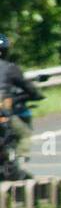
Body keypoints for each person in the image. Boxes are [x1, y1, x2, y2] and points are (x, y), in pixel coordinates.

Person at [0, 32, 44, 166]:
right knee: (24, 134)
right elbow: (27, 86)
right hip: (4, 112)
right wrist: (36, 95)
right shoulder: (10, 68)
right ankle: (20, 160)